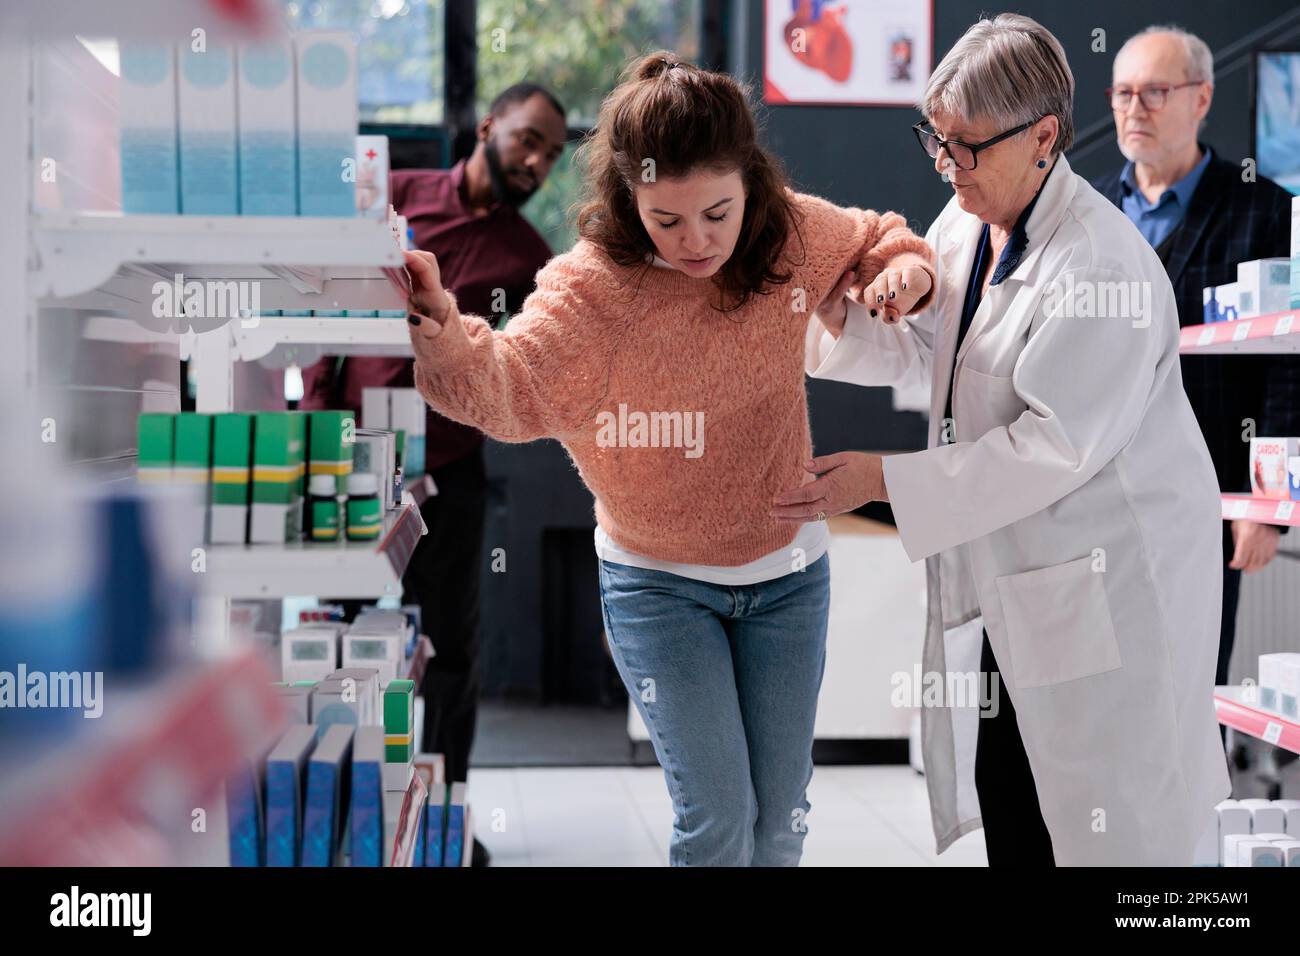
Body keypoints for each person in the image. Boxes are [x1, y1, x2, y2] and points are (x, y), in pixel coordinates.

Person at [400, 52, 935, 866]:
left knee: (781, 819)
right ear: (629, 197)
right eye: (667, 219)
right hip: (658, 584)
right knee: (718, 818)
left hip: (790, 576)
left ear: (751, 183)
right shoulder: (592, 291)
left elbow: (872, 236)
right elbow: (505, 389)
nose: (697, 241)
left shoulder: (786, 232)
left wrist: (906, 269)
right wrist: (442, 329)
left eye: (718, 213)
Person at [786, 13, 1228, 865]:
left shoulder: (1101, 266)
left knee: (1110, 823)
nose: (947, 167)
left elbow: (1047, 451)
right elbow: (927, 358)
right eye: (936, 142)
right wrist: (834, 310)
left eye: (965, 147)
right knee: (1013, 796)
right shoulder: (967, 225)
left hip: (1107, 582)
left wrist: (883, 480)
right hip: (1019, 582)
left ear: (1044, 137)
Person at [299, 82, 569, 867]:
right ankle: (337, 819)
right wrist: (320, 409)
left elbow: (524, 356)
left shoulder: (528, 255)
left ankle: (440, 827)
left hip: (451, 468)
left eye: (551, 153)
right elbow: (324, 300)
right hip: (353, 455)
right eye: (527, 140)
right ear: (488, 128)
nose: (538, 160)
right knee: (341, 644)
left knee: (450, 654)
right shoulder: (397, 196)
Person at [1092, 25, 1300, 694]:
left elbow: (1287, 368)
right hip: (1097, 491)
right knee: (1095, 685)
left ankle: (1183, 805)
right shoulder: (1089, 214)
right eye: (1123, 93)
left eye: (1155, 92)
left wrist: (1265, 502)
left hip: (1206, 492)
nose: (1134, 109)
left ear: (1202, 98)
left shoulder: (1263, 210)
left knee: (1187, 684)